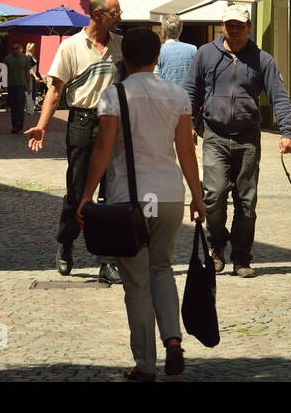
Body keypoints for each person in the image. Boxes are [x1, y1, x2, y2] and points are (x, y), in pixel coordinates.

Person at [77, 27, 206, 381]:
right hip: (167, 196)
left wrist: (87, 195)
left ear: (125, 59)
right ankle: (173, 339)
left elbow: (103, 149)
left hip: (129, 200)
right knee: (162, 268)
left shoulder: (114, 95)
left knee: (135, 282)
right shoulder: (177, 95)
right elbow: (185, 150)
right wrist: (197, 195)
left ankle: (146, 366)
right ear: (157, 58)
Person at [183, 3, 291, 278]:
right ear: (223, 26)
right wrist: (187, 124)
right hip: (215, 136)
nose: (233, 29)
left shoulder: (263, 60)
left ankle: (242, 258)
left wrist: (287, 133)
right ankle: (217, 246)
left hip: (247, 139)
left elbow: (279, 96)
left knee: (246, 203)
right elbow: (190, 90)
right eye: (229, 24)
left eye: (239, 25)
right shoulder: (205, 55)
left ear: (248, 28)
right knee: (214, 196)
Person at [26, 0, 124, 285]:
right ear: (97, 14)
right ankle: (67, 243)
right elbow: (55, 91)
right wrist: (42, 125)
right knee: (78, 189)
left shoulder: (120, 45)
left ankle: (107, 260)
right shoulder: (71, 48)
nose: (120, 17)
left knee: (111, 191)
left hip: (113, 121)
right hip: (82, 121)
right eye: (114, 13)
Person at [155, 14, 197, 87]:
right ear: (180, 30)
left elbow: (155, 77)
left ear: (163, 31)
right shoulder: (193, 50)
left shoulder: (157, 51)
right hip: (187, 96)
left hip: (166, 94)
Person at [3, 41, 36, 134]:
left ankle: (19, 125)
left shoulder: (25, 59)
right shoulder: (8, 58)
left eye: (17, 48)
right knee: (13, 106)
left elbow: (27, 73)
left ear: (21, 48)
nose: (15, 50)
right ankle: (14, 126)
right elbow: (4, 72)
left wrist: (29, 86)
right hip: (11, 85)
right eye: (13, 49)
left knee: (20, 105)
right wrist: (5, 85)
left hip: (21, 85)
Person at [25, 43, 46, 113]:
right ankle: (29, 108)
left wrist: (38, 76)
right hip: (30, 76)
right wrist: (35, 76)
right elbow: (29, 68)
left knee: (34, 91)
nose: (34, 48)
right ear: (29, 48)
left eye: (34, 47)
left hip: (34, 76)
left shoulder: (34, 57)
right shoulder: (28, 57)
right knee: (30, 91)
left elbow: (36, 68)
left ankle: (32, 107)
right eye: (33, 47)